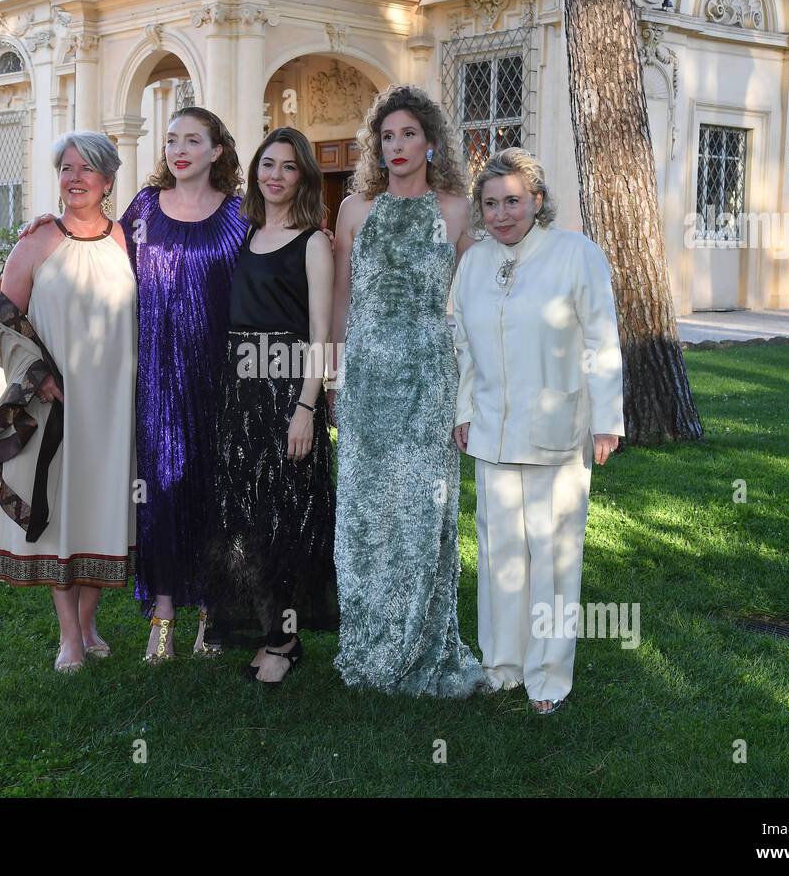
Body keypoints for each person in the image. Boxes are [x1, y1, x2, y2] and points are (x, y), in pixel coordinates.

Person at [18, 107, 246, 662]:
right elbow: (84, 244)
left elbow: (269, 266)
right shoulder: (143, 211)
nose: (178, 148)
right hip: (152, 378)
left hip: (218, 376)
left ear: (218, 150)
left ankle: (211, 619)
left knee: (215, 496)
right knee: (161, 494)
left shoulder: (243, 215)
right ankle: (162, 620)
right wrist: (46, 225)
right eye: (170, 139)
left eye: (193, 139)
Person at [452, 147, 624, 715]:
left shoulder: (576, 254)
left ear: (537, 201)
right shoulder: (474, 261)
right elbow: (463, 343)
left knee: (552, 554)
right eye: (492, 203)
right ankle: (501, 665)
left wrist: (606, 419)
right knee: (499, 548)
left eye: (513, 201)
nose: (502, 214)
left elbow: (602, 339)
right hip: (492, 430)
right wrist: (463, 411)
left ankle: (548, 677)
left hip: (558, 428)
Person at [328, 85, 486, 698]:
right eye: (386, 136)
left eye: (407, 135)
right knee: (366, 517)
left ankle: (421, 645)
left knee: (423, 512)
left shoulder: (455, 209)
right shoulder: (355, 210)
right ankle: (368, 645)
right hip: (365, 376)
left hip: (428, 378)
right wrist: (331, 375)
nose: (396, 146)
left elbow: (477, 299)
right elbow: (341, 297)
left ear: (431, 142)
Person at [0, 131, 136, 673]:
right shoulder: (38, 241)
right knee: (61, 512)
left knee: (101, 508)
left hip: (115, 404)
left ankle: (90, 623)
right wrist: (37, 375)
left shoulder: (127, 242)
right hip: (56, 402)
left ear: (108, 180)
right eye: (66, 167)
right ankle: (69, 636)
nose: (74, 178)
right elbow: (3, 320)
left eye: (87, 169)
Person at [200, 127, 338, 685]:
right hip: (238, 390)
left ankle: (286, 638)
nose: (274, 175)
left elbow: (322, 335)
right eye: (266, 165)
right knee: (242, 518)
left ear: (302, 176)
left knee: (285, 518)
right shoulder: (245, 233)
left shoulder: (314, 242)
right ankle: (268, 632)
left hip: (286, 391)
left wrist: (306, 408)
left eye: (286, 167)